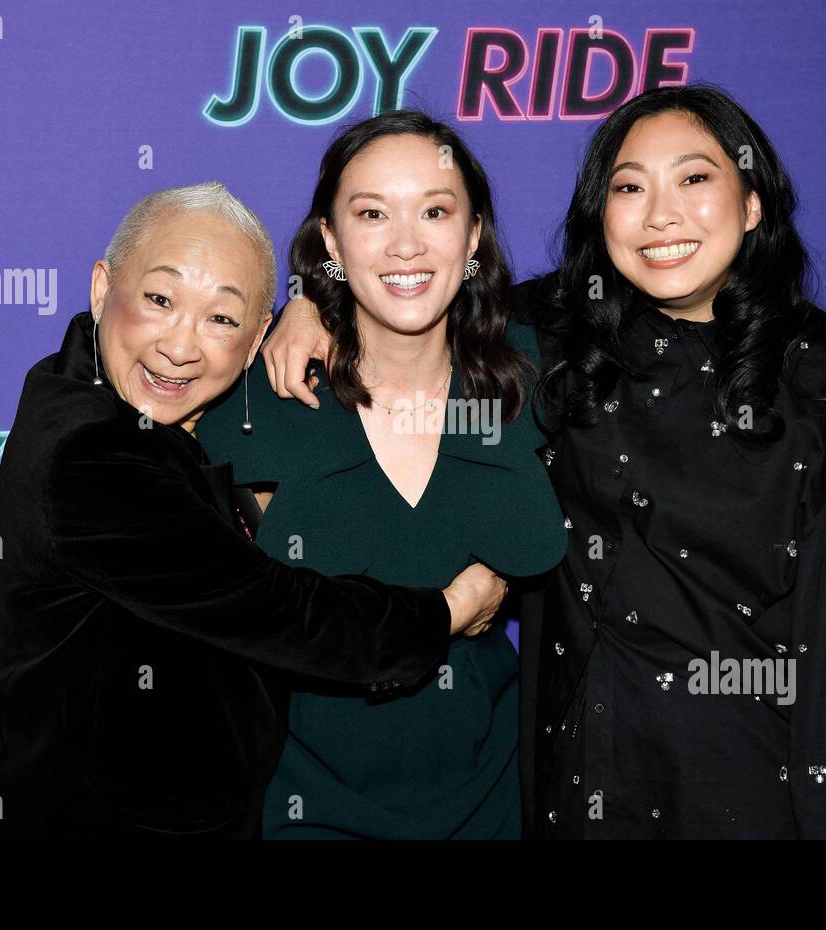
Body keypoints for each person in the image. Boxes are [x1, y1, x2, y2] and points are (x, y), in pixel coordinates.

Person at [261, 84, 826, 839]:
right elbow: (412, 286)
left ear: (753, 202)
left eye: (695, 179)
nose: (661, 215)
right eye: (629, 187)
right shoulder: (556, 340)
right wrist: (309, 299)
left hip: (745, 784)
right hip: (575, 779)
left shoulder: (824, 381)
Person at [0, 181, 506, 839]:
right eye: (159, 300)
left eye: (221, 318)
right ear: (103, 289)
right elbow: (280, 612)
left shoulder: (116, 393)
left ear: (255, 338)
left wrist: (318, 306)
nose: (180, 346)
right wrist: (449, 609)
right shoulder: (94, 449)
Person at [199, 112, 566, 839]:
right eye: (372, 214)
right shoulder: (252, 396)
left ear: (474, 237)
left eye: (435, 211)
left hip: (492, 801)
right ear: (330, 240)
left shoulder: (539, 374)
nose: (406, 244)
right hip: (300, 808)